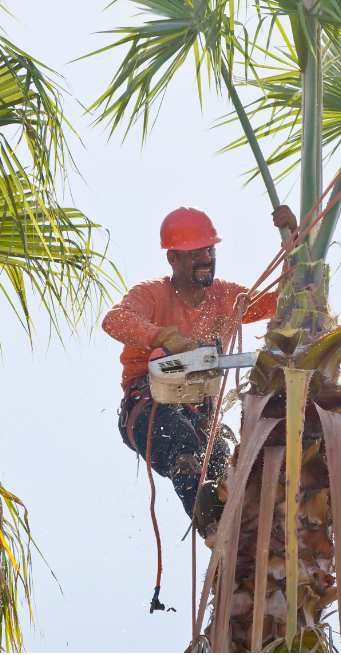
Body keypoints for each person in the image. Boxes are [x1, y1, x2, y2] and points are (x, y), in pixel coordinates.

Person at [101, 205, 297, 530]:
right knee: (184, 447)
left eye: (209, 249)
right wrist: (161, 336)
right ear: (173, 259)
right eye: (195, 253)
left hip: (198, 414)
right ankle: (214, 530)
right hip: (148, 405)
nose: (207, 258)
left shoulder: (226, 297)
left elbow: (283, 300)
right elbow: (114, 320)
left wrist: (293, 240)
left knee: (228, 461)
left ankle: (245, 540)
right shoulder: (153, 294)